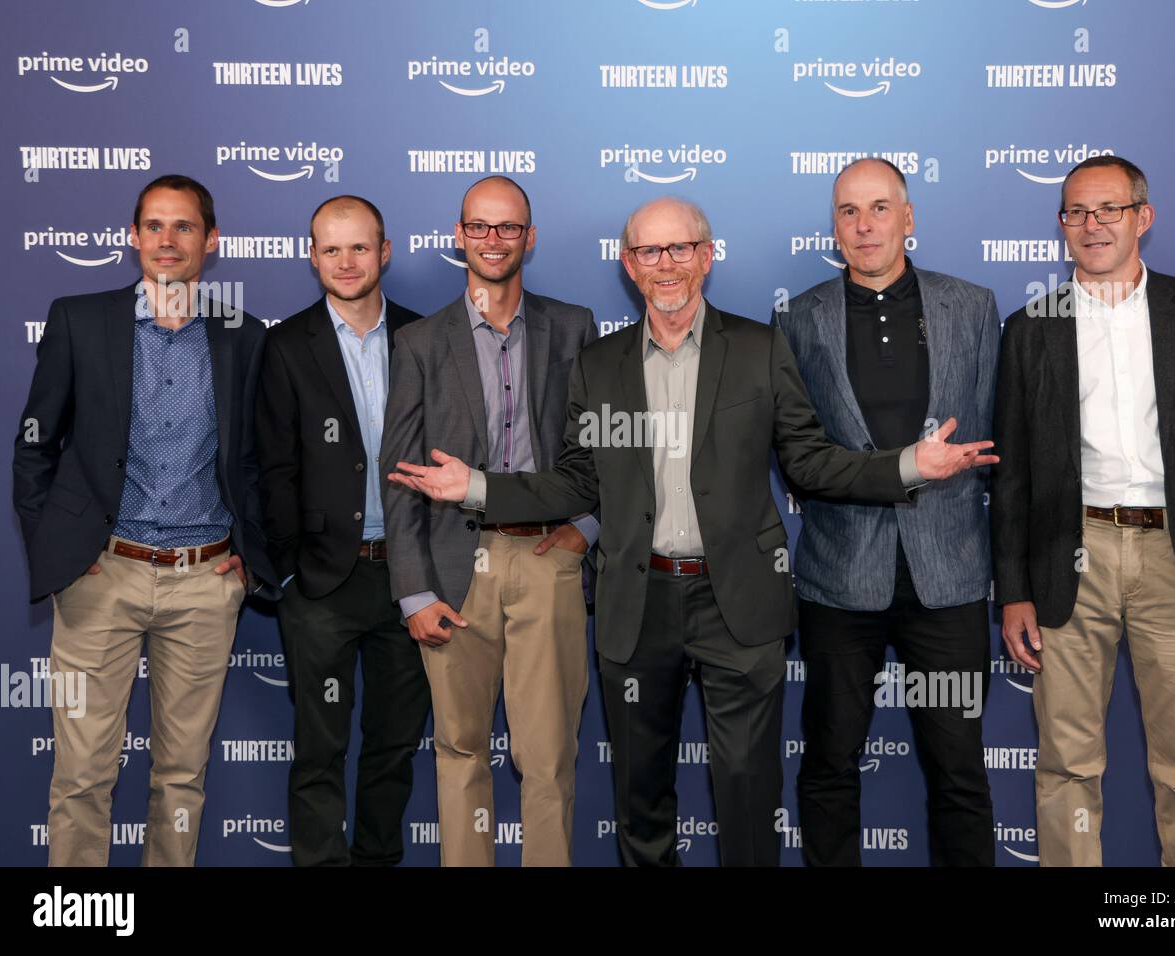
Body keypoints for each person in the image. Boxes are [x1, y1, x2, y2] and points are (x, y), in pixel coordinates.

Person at [393, 195, 998, 866]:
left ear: (707, 257)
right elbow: (575, 483)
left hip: (737, 601)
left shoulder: (760, 349)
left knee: (746, 793)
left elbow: (810, 461)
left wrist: (911, 464)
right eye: (649, 252)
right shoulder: (601, 365)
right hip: (638, 603)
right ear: (628, 265)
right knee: (641, 801)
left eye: (680, 248)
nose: (666, 265)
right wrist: (477, 488)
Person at [992, 155, 1175, 867]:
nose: (1092, 225)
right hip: (1066, 559)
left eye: (1109, 209)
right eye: (1076, 212)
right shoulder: (1029, 326)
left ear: (1144, 216)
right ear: (1061, 226)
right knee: (1067, 765)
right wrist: (1014, 591)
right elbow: (1011, 475)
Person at [13, 174, 277, 866]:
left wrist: (250, 555)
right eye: (154, 226)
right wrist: (63, 547)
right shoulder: (79, 319)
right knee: (81, 778)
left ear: (210, 242)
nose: (168, 240)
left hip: (204, 582)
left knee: (182, 779)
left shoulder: (242, 335)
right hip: (102, 576)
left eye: (184, 227)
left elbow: (261, 462)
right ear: (133, 238)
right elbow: (35, 443)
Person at [776, 158, 998, 866]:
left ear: (909, 218)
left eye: (879, 208)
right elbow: (800, 457)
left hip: (951, 578)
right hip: (840, 580)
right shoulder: (797, 320)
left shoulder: (973, 306)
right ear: (833, 227)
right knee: (830, 765)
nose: (864, 225)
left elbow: (1000, 436)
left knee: (959, 772)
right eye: (848, 211)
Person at [380, 176, 598, 866]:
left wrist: (584, 533)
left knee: (548, 755)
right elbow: (400, 472)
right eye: (480, 227)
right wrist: (413, 590)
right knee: (461, 749)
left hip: (546, 561)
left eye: (508, 228)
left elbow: (598, 446)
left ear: (528, 238)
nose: (494, 240)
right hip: (453, 568)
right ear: (459, 236)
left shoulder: (573, 326)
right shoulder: (418, 342)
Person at [255, 195, 431, 866]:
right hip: (323, 581)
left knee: (393, 747)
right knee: (319, 749)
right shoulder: (285, 345)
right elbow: (273, 468)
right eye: (331, 248)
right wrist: (292, 571)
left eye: (359, 247)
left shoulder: (423, 335)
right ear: (312, 257)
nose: (346, 261)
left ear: (384, 252)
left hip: (409, 578)